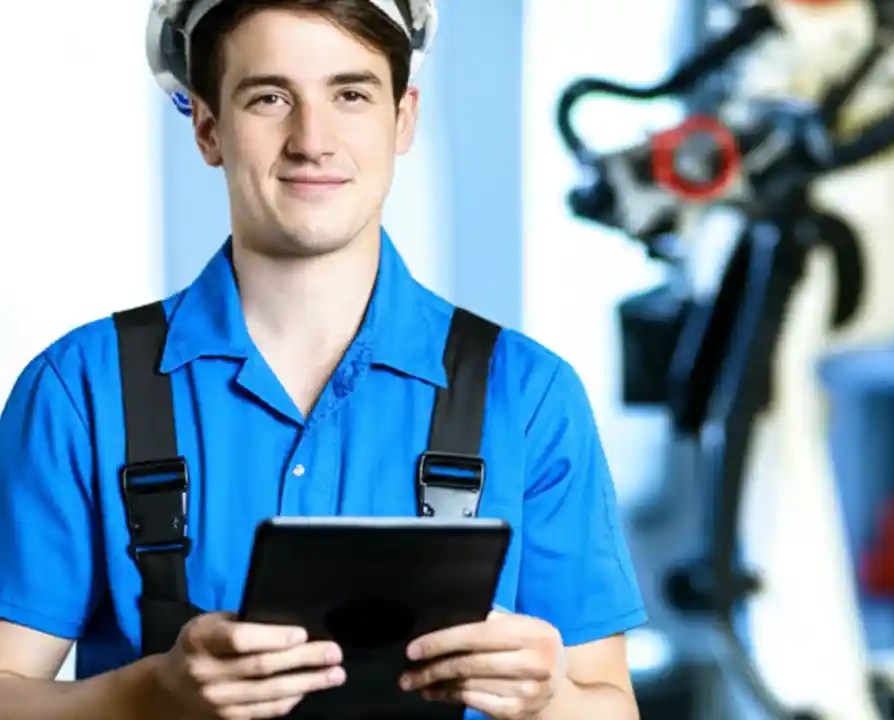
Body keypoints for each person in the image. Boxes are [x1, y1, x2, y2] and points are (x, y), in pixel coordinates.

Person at [0, 1, 647, 718]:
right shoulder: (79, 392)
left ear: (403, 119)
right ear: (208, 127)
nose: (312, 140)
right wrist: (146, 696)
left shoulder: (528, 397)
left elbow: (609, 704)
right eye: (270, 97)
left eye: (350, 94)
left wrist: (548, 698)